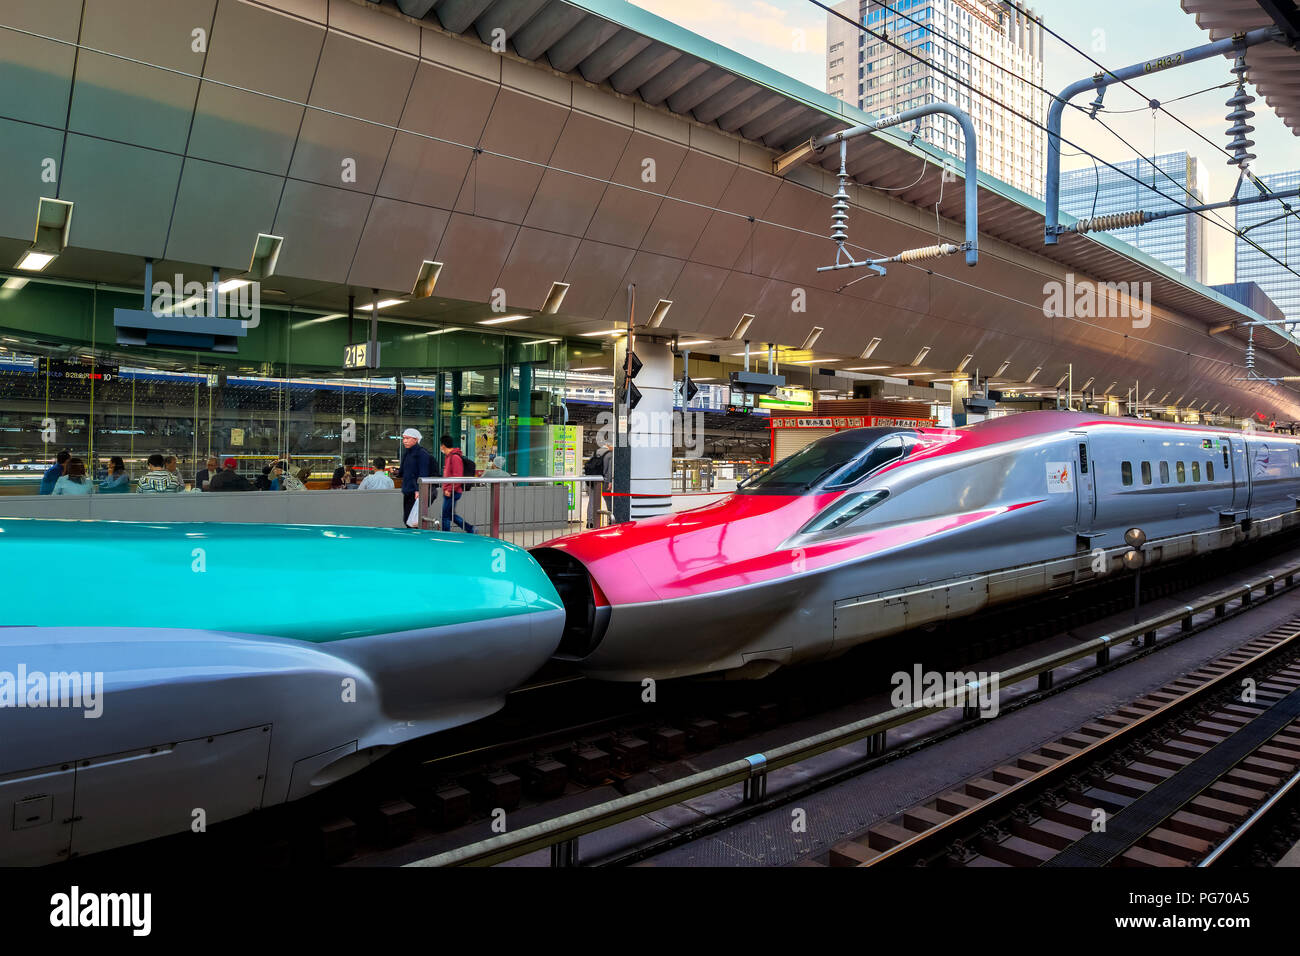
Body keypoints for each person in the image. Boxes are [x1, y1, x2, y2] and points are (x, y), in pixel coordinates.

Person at [398, 428, 437, 526]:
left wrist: (419, 490)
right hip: (408, 490)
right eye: (403, 438)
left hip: (416, 492)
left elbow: (423, 473)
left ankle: (416, 539)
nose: (404, 441)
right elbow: (404, 471)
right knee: (408, 519)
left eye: (407, 438)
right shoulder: (407, 453)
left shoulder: (422, 454)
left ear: (415, 440)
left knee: (413, 520)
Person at [439, 435, 475, 534]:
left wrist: (449, 489)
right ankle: (470, 529)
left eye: (441, 445)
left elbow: (457, 476)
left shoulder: (454, 457)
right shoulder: (449, 457)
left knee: (446, 515)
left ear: (443, 445)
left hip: (453, 491)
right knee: (449, 514)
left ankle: (446, 535)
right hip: (450, 490)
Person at [584, 442, 613, 528]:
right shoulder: (610, 454)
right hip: (604, 481)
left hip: (594, 480)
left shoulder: (596, 452)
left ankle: (590, 522)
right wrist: (610, 482)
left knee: (592, 500)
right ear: (609, 445)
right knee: (609, 501)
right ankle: (611, 519)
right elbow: (610, 469)